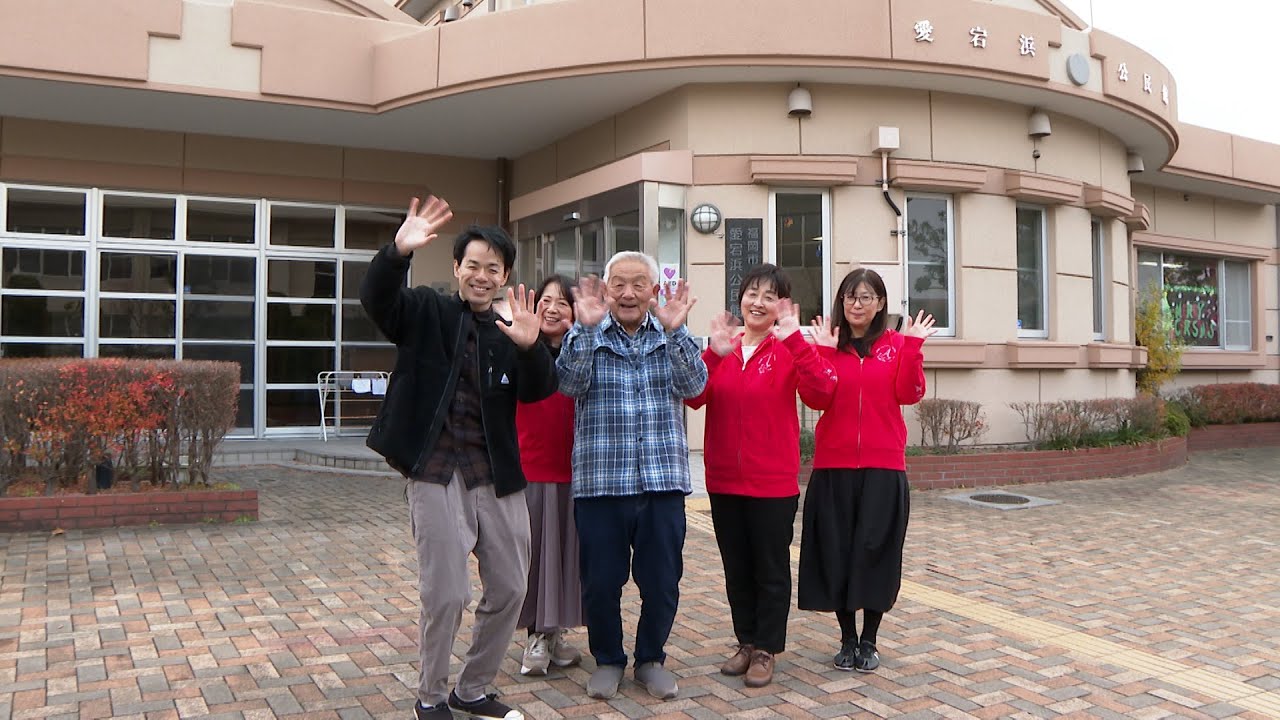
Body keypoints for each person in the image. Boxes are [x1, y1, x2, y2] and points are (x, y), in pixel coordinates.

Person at [360, 195, 558, 720]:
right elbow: (378, 300)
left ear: (505, 276)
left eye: (493, 268)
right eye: (472, 264)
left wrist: (532, 347)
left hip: (495, 474)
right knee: (446, 594)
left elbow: (539, 391)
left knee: (513, 587)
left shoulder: (510, 329)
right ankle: (431, 695)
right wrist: (396, 253)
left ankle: (472, 690)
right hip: (435, 471)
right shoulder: (426, 310)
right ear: (456, 268)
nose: (482, 274)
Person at [556, 251, 708, 701]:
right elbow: (569, 384)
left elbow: (696, 386)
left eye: (638, 284)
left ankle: (650, 659)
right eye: (618, 284)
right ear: (605, 290)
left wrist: (678, 332)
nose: (627, 293)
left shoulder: (672, 333)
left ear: (653, 291)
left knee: (661, 581)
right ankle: (607, 659)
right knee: (601, 582)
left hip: (661, 482)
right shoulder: (584, 333)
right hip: (601, 483)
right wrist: (583, 330)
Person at [685, 264, 837, 688]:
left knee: (770, 569)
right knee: (736, 567)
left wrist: (799, 343)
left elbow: (822, 394)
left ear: (781, 307)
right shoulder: (725, 346)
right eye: (752, 293)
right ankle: (746, 642)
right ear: (740, 300)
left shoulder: (790, 347)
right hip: (724, 479)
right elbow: (693, 396)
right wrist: (712, 353)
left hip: (772, 482)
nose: (758, 302)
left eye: (770, 296)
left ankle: (767, 648)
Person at [797, 267, 936, 674]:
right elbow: (815, 397)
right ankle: (846, 639)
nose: (857, 305)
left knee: (876, 552)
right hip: (834, 467)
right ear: (842, 303)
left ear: (880, 304)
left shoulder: (895, 345)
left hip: (883, 468)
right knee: (837, 553)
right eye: (850, 297)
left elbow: (909, 393)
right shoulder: (830, 344)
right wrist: (821, 353)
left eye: (866, 297)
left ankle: (870, 640)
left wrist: (912, 348)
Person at [513, 274, 584, 676]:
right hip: (532, 469)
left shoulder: (582, 354)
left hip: (576, 472)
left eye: (563, 302)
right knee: (534, 557)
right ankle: (535, 638)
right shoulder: (521, 349)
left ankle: (554, 634)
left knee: (565, 558)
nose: (553, 308)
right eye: (546, 300)